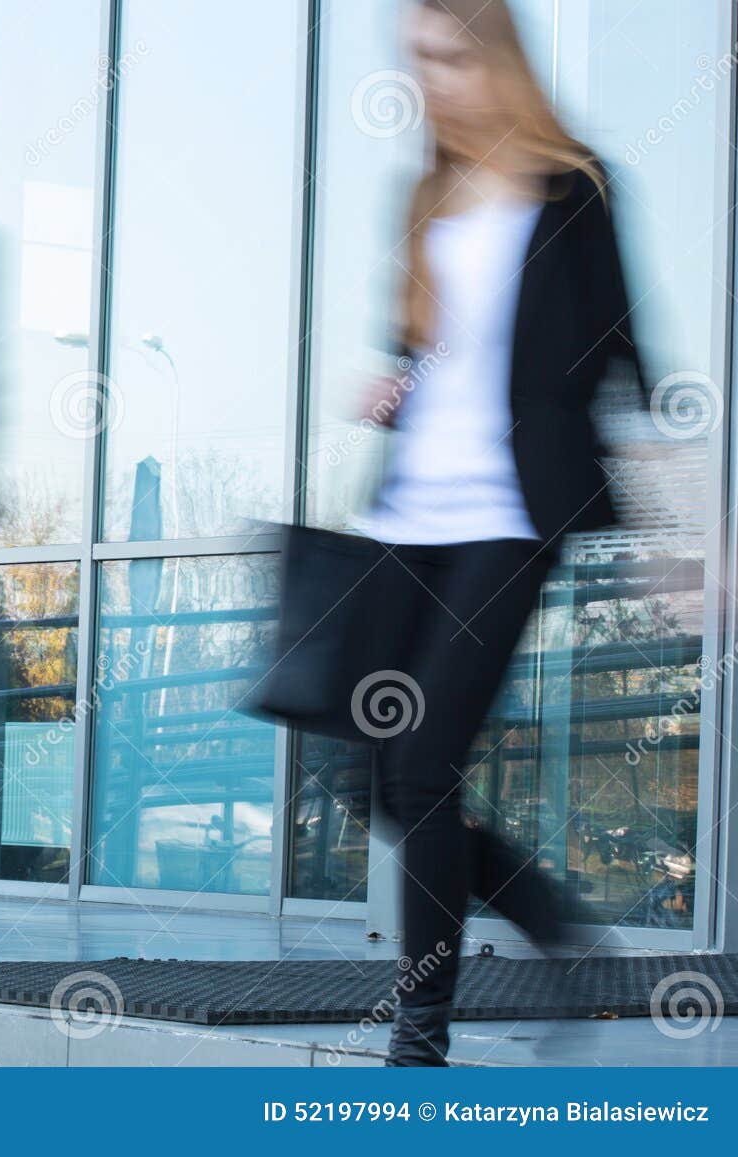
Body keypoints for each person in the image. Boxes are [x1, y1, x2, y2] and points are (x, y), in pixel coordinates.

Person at [353, 0, 645, 1064]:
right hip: (405, 517)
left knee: (422, 767)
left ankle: (420, 1028)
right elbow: (427, 350)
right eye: (414, 60)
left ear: (494, 58)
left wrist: (687, 529)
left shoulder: (573, 188)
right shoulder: (424, 193)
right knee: (369, 775)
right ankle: (559, 930)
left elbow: (622, 358)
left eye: (446, 55)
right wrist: (393, 381)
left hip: (507, 518)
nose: (429, 79)